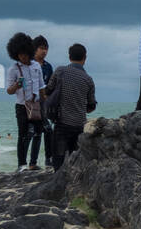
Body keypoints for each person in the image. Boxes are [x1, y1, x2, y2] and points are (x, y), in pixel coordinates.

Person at [45, 43, 97, 170]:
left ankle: (58, 184)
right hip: (79, 125)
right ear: (85, 58)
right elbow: (91, 106)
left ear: (69, 57)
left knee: (58, 160)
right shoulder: (88, 79)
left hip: (62, 122)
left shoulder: (60, 71)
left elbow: (48, 91)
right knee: (75, 162)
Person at [6, 32, 45, 171]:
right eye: (19, 54)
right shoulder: (13, 69)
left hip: (36, 104)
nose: (22, 56)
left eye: (24, 53)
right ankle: (21, 164)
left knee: (37, 134)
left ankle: (33, 162)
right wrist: (17, 85)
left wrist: (45, 103)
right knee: (23, 136)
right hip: (22, 106)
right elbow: (9, 91)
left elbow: (41, 86)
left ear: (29, 51)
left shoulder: (36, 66)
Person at [34, 35, 55, 166]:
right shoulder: (28, 65)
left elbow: (51, 86)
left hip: (45, 103)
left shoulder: (48, 66)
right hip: (32, 103)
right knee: (33, 133)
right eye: (41, 48)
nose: (44, 51)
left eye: (46, 48)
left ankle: (49, 159)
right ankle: (29, 162)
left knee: (48, 130)